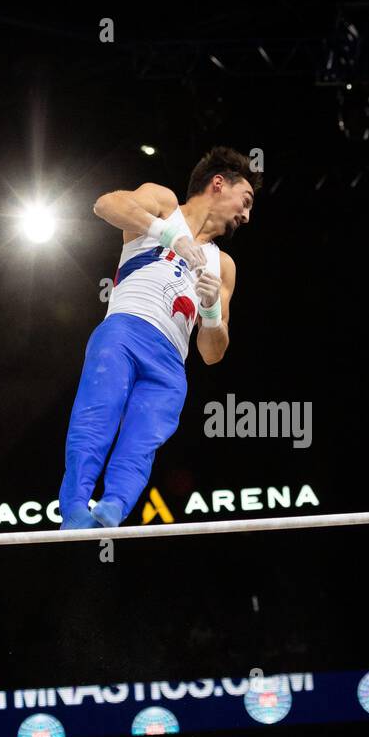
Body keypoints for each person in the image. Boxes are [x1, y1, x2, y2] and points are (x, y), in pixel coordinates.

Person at [58, 146, 259, 528]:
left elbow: (213, 354)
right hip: (124, 332)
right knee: (96, 419)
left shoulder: (224, 266)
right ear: (218, 184)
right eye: (245, 201)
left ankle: (112, 509)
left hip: (170, 364)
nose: (247, 215)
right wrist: (166, 234)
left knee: (141, 442)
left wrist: (213, 310)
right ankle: (73, 509)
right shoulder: (165, 204)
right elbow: (105, 205)